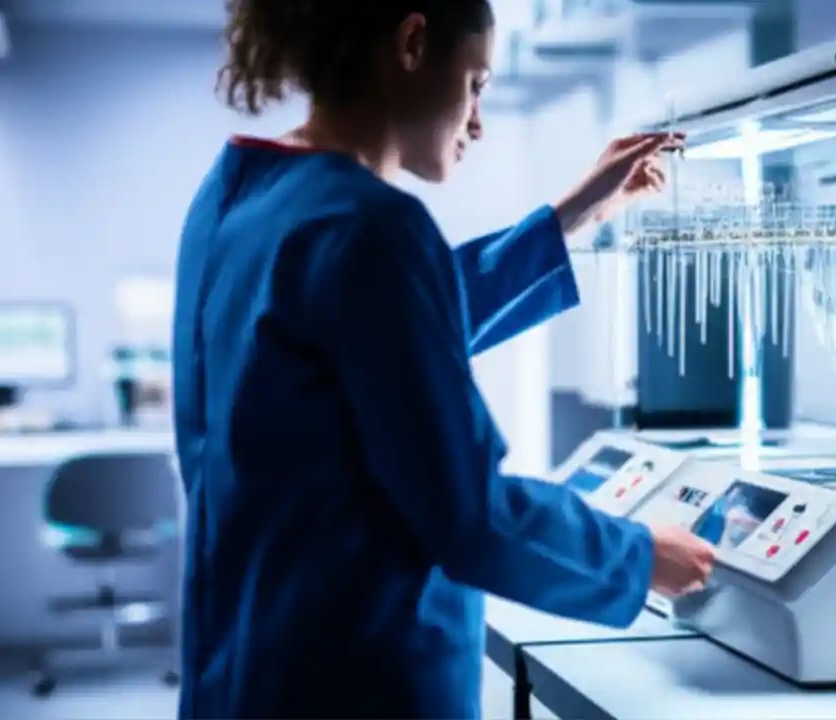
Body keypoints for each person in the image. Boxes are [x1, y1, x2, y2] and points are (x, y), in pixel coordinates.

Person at [171, 1, 716, 718]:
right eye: (477, 81)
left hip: (246, 669)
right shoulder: (371, 227)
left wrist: (569, 219)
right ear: (412, 43)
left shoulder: (236, 197)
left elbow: (379, 328)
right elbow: (469, 516)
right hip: (355, 682)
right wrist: (638, 555)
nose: (478, 120)